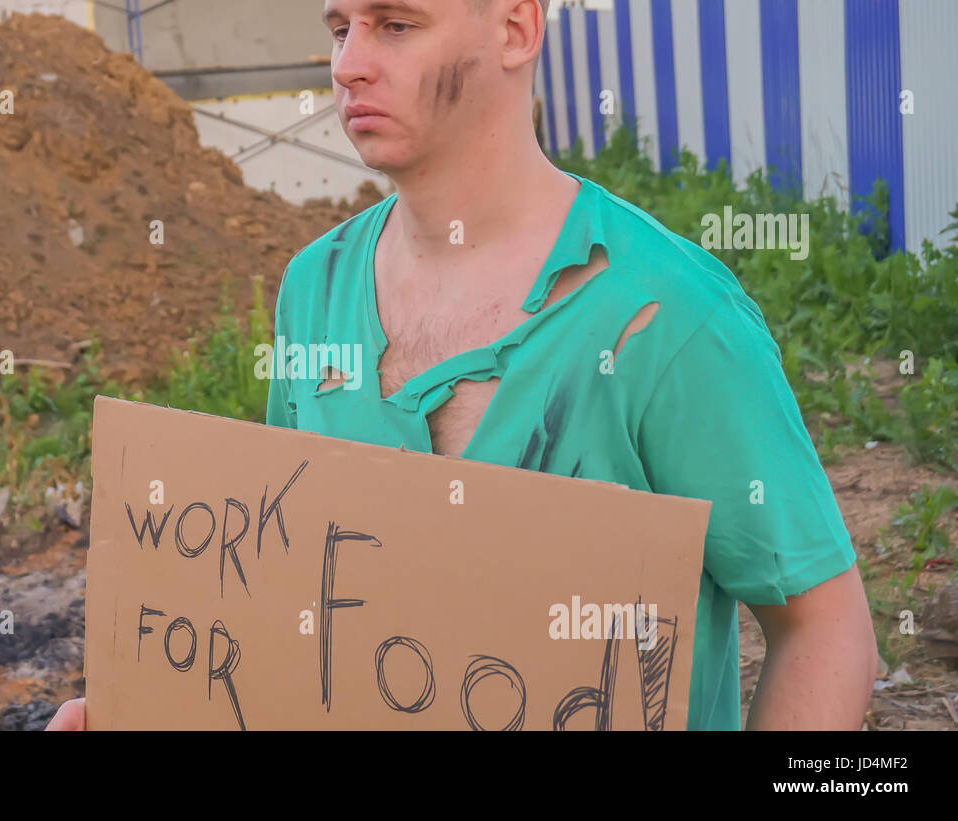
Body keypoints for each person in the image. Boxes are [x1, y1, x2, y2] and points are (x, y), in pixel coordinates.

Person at [50, 0, 878, 731]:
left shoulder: (665, 313)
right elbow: (299, 613)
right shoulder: (316, 290)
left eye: (396, 24)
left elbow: (823, 627)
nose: (348, 65)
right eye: (340, 29)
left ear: (517, 28)